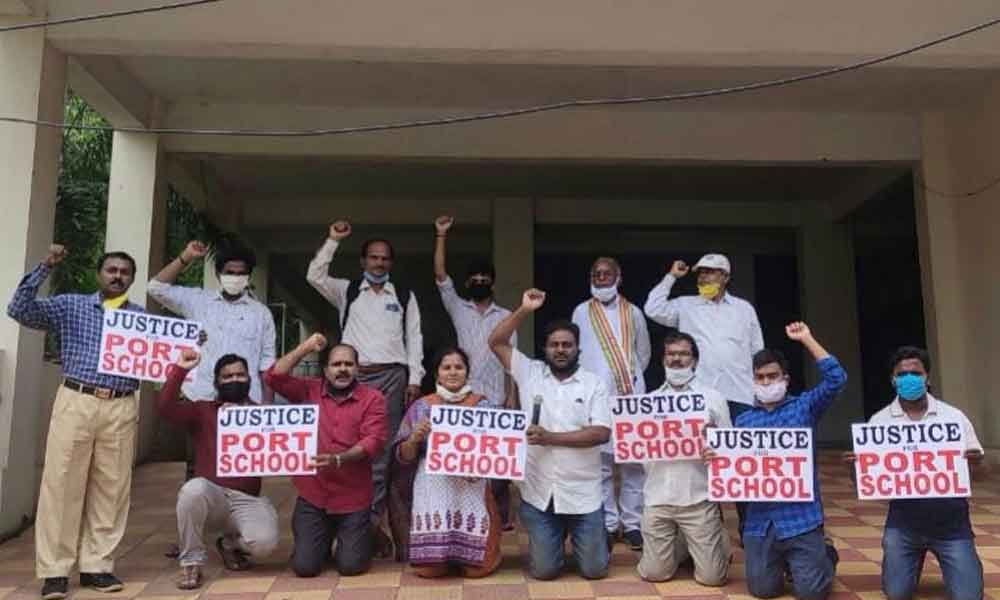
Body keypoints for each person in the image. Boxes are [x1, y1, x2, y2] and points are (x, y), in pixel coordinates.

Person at [7, 245, 143, 600]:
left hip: (121, 405)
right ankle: (55, 572)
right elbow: (19, 309)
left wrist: (191, 345)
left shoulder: (142, 321)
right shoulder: (71, 306)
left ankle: (98, 567)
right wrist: (44, 266)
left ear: (132, 279)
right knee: (62, 483)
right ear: (100, 275)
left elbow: (170, 357)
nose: (117, 276)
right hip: (76, 400)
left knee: (112, 488)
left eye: (124, 272)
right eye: (111, 270)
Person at [306, 220, 424, 556]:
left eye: (385, 259)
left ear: (391, 263)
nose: (379, 264)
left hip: (391, 377)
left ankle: (372, 523)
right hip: (351, 378)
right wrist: (332, 239)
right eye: (373, 258)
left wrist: (415, 378)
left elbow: (414, 337)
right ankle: (355, 521)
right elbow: (314, 276)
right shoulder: (347, 290)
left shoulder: (403, 294)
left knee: (383, 453)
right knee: (345, 443)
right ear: (362, 262)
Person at [705, 322, 846, 600]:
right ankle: (789, 564)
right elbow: (736, 468)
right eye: (760, 378)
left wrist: (807, 338)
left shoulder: (804, 408)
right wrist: (716, 456)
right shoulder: (743, 421)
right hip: (760, 521)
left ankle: (825, 554)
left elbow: (836, 379)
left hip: (801, 518)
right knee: (762, 590)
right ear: (753, 381)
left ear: (785, 379)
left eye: (773, 376)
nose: (767, 383)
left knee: (812, 594)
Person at [843, 346, 987, 600]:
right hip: (904, 523)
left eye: (916, 373)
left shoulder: (953, 417)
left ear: (927, 378)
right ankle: (910, 559)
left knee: (969, 596)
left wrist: (975, 463)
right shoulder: (880, 421)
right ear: (893, 380)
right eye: (902, 374)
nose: (909, 379)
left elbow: (981, 474)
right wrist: (855, 467)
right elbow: (869, 485)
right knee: (896, 593)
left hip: (951, 522)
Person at [488, 289, 612, 580]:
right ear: (544, 349)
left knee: (595, 571)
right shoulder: (529, 372)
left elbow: (601, 433)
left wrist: (550, 438)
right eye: (554, 344)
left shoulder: (593, 383)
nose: (560, 349)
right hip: (540, 493)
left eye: (567, 345)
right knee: (545, 572)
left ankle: (592, 537)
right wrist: (523, 309)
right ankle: (556, 539)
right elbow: (495, 342)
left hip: (583, 495)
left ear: (578, 349)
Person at [264, 334, 388, 577]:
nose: (342, 370)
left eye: (348, 364)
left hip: (353, 497)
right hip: (314, 495)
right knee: (304, 567)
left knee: (351, 567)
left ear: (358, 368)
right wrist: (306, 347)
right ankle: (326, 538)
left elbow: (373, 441)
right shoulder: (308, 389)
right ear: (325, 369)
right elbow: (274, 377)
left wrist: (339, 458)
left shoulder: (374, 398)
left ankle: (368, 530)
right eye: (336, 364)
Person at [157, 350, 279, 590]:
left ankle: (229, 545)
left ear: (249, 379)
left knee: (265, 544)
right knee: (192, 489)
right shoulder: (202, 410)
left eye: (240, 375)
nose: (234, 379)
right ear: (217, 382)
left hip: (247, 500)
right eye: (227, 376)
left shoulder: (264, 416)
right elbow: (165, 409)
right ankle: (191, 563)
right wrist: (180, 369)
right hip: (212, 496)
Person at [433, 215, 517, 530]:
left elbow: (512, 361)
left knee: (498, 462)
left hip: (496, 396)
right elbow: (441, 275)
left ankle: (500, 516)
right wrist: (441, 235)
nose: (480, 280)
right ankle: (470, 510)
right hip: (463, 397)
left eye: (485, 276)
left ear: (492, 282)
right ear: (468, 283)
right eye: (475, 277)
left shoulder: (507, 316)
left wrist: (512, 397)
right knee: (468, 456)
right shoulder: (458, 307)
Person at [393, 348, 502, 578]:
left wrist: (481, 465)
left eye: (459, 367)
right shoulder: (422, 406)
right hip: (434, 483)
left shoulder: (483, 406)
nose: (453, 372)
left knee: (477, 570)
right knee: (430, 570)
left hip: (471, 482)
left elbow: (498, 450)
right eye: (446, 367)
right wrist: (414, 438)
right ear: (437, 374)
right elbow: (403, 456)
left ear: (467, 373)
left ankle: (473, 554)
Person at [638, 331, 731, 586]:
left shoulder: (713, 399)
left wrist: (716, 443)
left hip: (698, 498)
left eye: (683, 354)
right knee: (655, 574)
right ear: (663, 359)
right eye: (671, 354)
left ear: (695, 361)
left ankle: (715, 538)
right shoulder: (648, 402)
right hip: (657, 498)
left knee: (713, 579)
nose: (677, 359)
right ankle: (682, 542)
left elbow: (731, 447)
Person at [572, 256, 651, 551]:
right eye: (596, 274)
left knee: (633, 464)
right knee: (600, 464)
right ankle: (607, 522)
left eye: (607, 273)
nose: (601, 278)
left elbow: (643, 354)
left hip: (630, 395)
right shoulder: (580, 311)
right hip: (595, 396)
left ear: (619, 277)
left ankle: (632, 524)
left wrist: (625, 380)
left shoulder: (634, 313)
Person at [148, 240, 277, 405]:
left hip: (245, 405)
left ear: (248, 277)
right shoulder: (197, 300)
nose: (235, 278)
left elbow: (267, 366)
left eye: (241, 274)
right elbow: (155, 288)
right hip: (199, 399)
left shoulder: (261, 314)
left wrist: (266, 408)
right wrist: (186, 257)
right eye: (230, 272)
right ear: (218, 274)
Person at [643, 254, 763, 419]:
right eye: (700, 273)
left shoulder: (744, 309)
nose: (703, 277)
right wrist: (671, 277)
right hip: (700, 394)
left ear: (725, 277)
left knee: (738, 444)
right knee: (702, 444)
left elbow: (757, 351)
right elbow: (653, 308)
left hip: (739, 392)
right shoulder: (686, 305)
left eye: (710, 272)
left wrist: (760, 390)